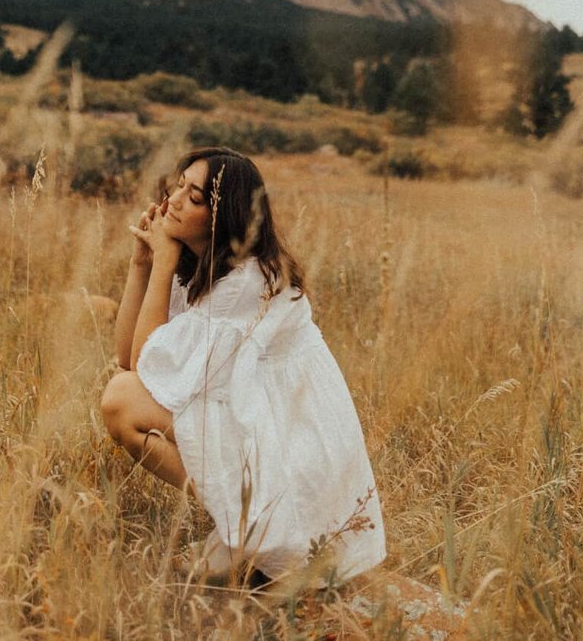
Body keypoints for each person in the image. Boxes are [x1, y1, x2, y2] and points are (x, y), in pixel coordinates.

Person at [101, 146, 385, 586]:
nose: (174, 200)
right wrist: (142, 265)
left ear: (223, 218)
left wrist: (163, 261)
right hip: (257, 425)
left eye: (194, 198)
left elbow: (143, 366)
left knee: (121, 401)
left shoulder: (246, 283)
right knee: (122, 389)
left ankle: (251, 527)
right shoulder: (207, 265)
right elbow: (127, 360)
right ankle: (241, 523)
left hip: (291, 449)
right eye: (179, 186)